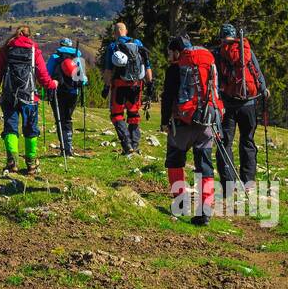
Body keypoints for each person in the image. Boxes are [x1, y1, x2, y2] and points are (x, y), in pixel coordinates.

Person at [161, 35, 224, 226]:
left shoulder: (175, 70)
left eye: (170, 52)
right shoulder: (206, 66)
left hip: (182, 124)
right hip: (206, 122)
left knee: (175, 162)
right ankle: (205, 211)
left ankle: (180, 203)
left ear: (177, 52)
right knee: (204, 165)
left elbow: (167, 96)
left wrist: (165, 121)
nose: (169, 56)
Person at [0, 25, 58, 174]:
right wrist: (51, 84)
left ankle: (12, 162)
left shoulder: (6, 49)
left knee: (10, 128)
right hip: (29, 96)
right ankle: (31, 164)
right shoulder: (34, 51)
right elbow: (42, 74)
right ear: (28, 36)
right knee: (30, 129)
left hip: (9, 95)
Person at [214, 23, 268, 193]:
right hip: (248, 103)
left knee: (225, 143)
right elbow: (257, 73)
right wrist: (263, 90)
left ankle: (228, 184)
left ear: (222, 37)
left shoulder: (218, 53)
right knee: (248, 141)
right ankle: (248, 182)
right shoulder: (246, 51)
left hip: (228, 104)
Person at [100, 22, 153, 155]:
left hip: (119, 85)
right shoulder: (138, 44)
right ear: (126, 31)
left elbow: (108, 70)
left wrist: (106, 86)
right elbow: (147, 65)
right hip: (136, 85)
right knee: (133, 114)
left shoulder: (113, 46)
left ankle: (126, 143)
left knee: (117, 115)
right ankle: (134, 145)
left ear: (115, 33)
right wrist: (150, 84)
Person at [45, 38, 87, 157]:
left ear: (61, 45)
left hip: (57, 92)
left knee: (60, 119)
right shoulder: (78, 58)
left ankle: (64, 148)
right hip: (73, 93)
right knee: (67, 119)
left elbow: (47, 74)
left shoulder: (55, 57)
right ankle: (69, 146)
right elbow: (83, 80)